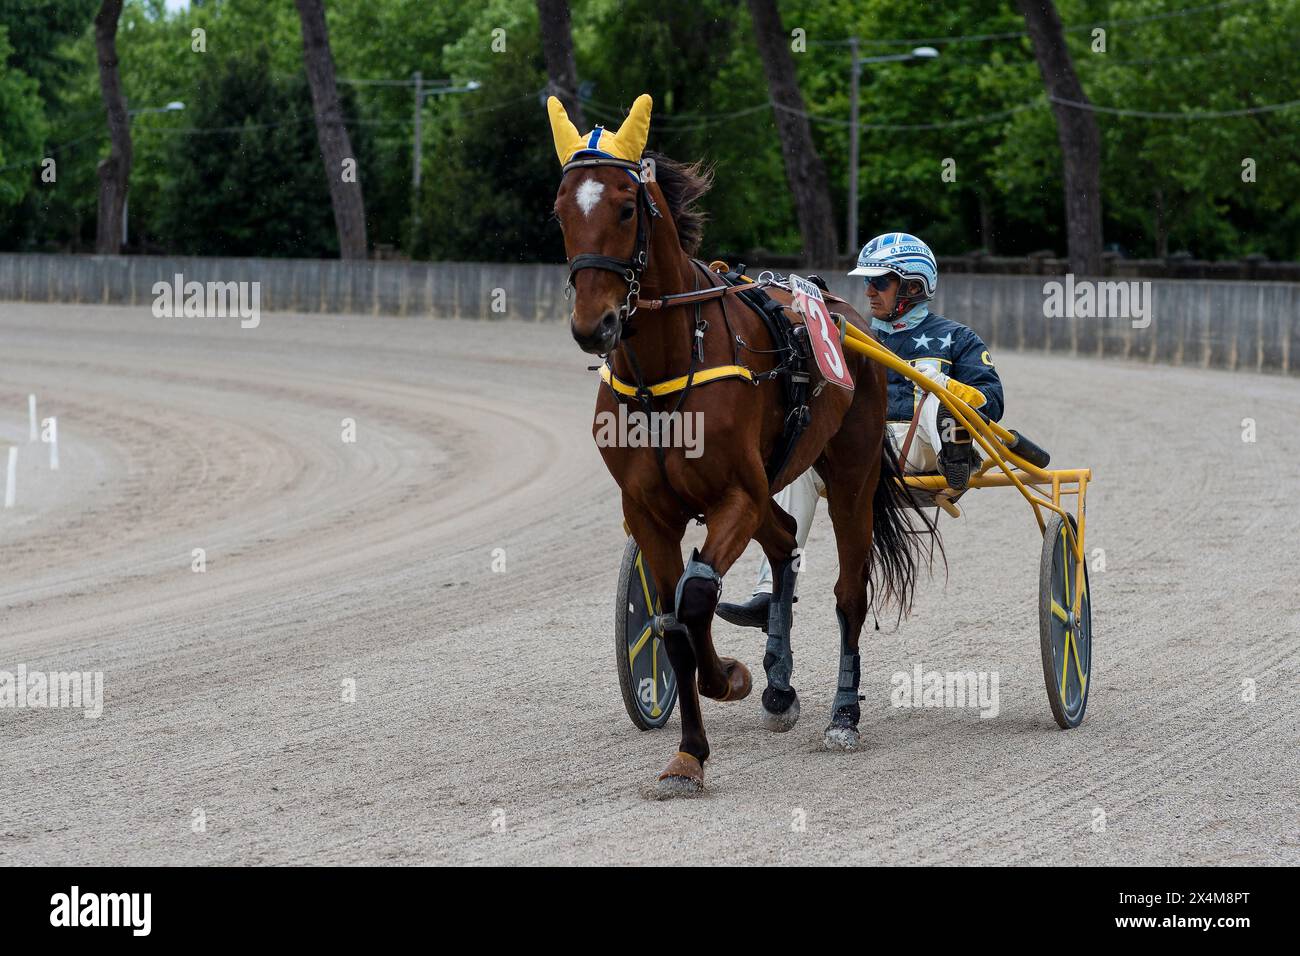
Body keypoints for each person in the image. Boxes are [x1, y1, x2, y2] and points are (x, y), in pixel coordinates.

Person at [717, 232, 1004, 628]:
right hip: (855, 454)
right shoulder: (849, 337)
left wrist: (944, 385)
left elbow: (993, 400)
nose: (868, 290)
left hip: (918, 448)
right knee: (798, 470)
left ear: (913, 285)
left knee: (936, 398)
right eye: (866, 280)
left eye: (879, 281)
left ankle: (956, 449)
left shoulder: (957, 338)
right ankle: (771, 591)